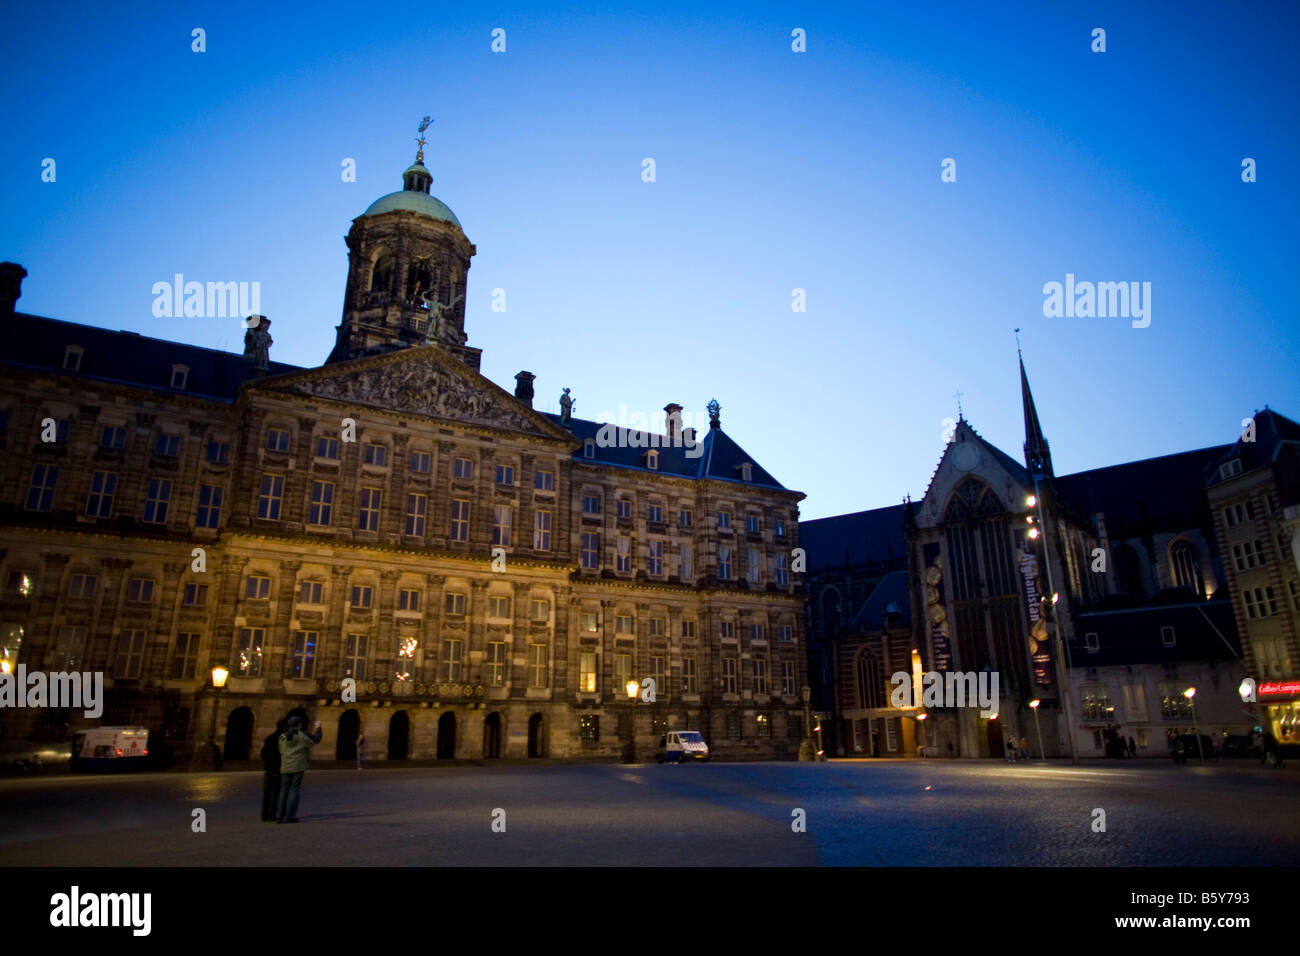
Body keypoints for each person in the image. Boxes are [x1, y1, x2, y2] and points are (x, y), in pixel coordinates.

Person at [277, 716, 323, 823]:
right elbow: (316, 739)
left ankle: (279, 816)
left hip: (285, 766)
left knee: (283, 791)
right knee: (294, 790)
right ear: (300, 724)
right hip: (298, 766)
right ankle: (290, 816)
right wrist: (319, 728)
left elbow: (280, 750)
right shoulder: (302, 735)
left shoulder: (282, 736)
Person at [260, 718, 287, 822]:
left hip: (268, 769)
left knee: (266, 793)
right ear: (285, 727)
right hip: (279, 769)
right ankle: (272, 814)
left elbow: (263, 754)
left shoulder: (269, 738)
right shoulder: (284, 739)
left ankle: (264, 815)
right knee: (276, 793)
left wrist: (268, 761)